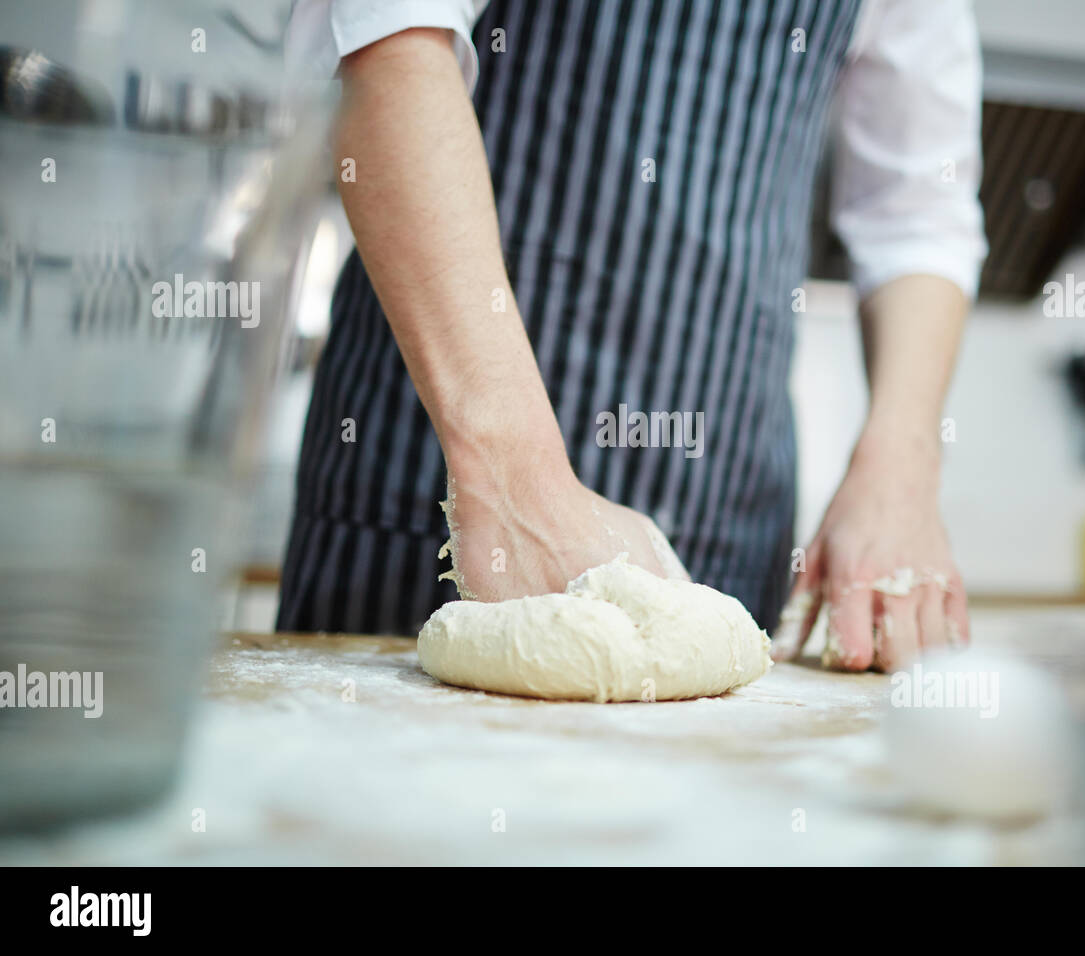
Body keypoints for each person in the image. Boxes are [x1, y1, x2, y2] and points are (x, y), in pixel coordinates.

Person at [277, 0, 987, 672]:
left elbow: (919, 208)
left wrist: (902, 465)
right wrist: (509, 470)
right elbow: (391, 34)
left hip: (726, 518)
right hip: (427, 487)